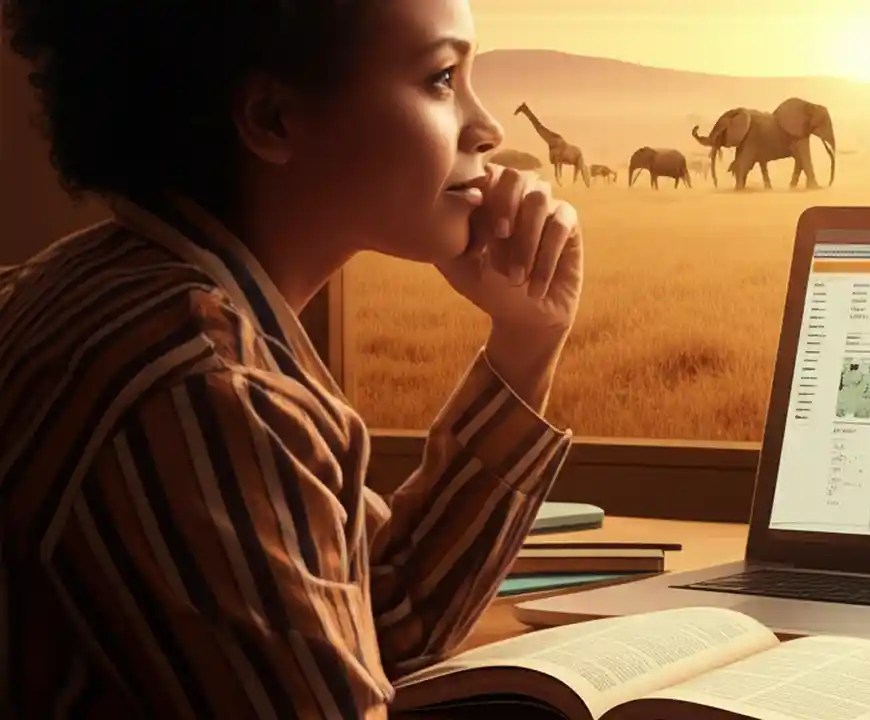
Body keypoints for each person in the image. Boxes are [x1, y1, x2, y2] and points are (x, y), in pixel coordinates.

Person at [0, 0, 582, 716]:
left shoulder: (97, 284)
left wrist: (526, 344)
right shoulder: (208, 391)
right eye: (440, 78)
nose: (486, 128)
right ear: (274, 120)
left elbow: (384, 617)